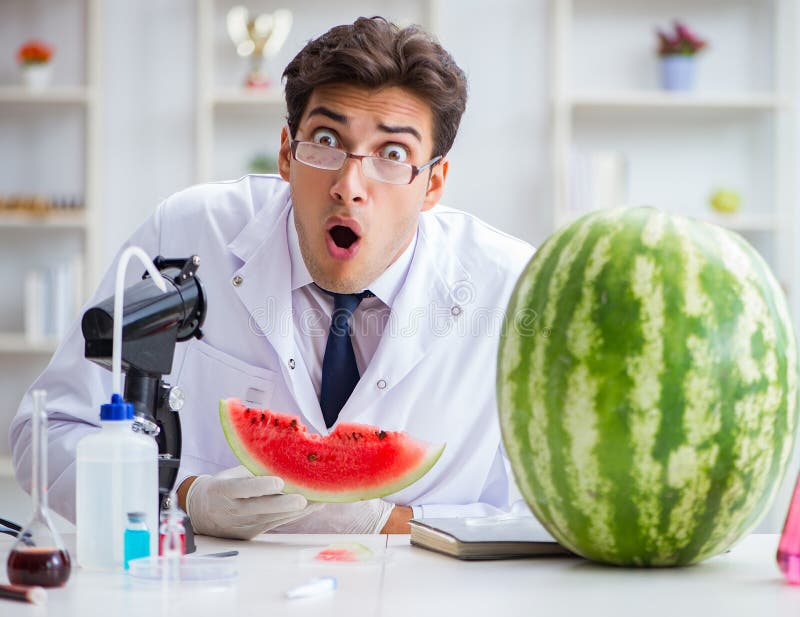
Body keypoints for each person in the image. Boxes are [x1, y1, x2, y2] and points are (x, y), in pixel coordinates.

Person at [9, 16, 534, 539]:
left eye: (392, 154)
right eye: (326, 139)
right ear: (287, 152)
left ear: (434, 182)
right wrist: (180, 497)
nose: (350, 185)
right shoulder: (189, 232)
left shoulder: (512, 287)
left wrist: (393, 524)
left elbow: (548, 514)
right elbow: (48, 430)